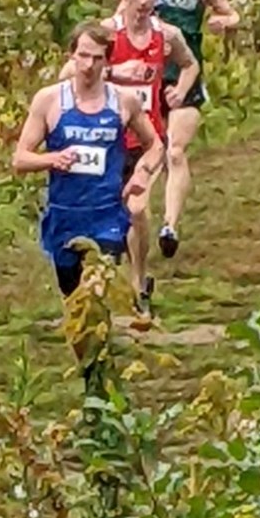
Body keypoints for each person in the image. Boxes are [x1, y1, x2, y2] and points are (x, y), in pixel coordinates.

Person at [16, 21, 163, 311]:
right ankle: (86, 352)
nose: (89, 65)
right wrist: (51, 159)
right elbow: (20, 158)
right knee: (74, 300)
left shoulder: (123, 101)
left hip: (106, 215)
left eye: (97, 58)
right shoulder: (49, 100)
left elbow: (155, 144)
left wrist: (141, 174)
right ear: (71, 55)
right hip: (65, 216)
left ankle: (101, 343)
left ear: (107, 61)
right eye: (83, 55)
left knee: (96, 290)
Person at [99, 0, 199, 311]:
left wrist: (180, 91)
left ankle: (139, 282)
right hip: (108, 140)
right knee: (116, 213)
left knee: (138, 209)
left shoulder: (166, 35)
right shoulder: (106, 34)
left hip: (147, 140)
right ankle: (121, 272)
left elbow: (190, 64)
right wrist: (114, 70)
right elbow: (71, 70)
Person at [153, 0, 240, 257]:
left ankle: (169, 225)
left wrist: (224, 22)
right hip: (147, 76)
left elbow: (232, 15)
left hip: (186, 73)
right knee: (149, 150)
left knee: (174, 151)